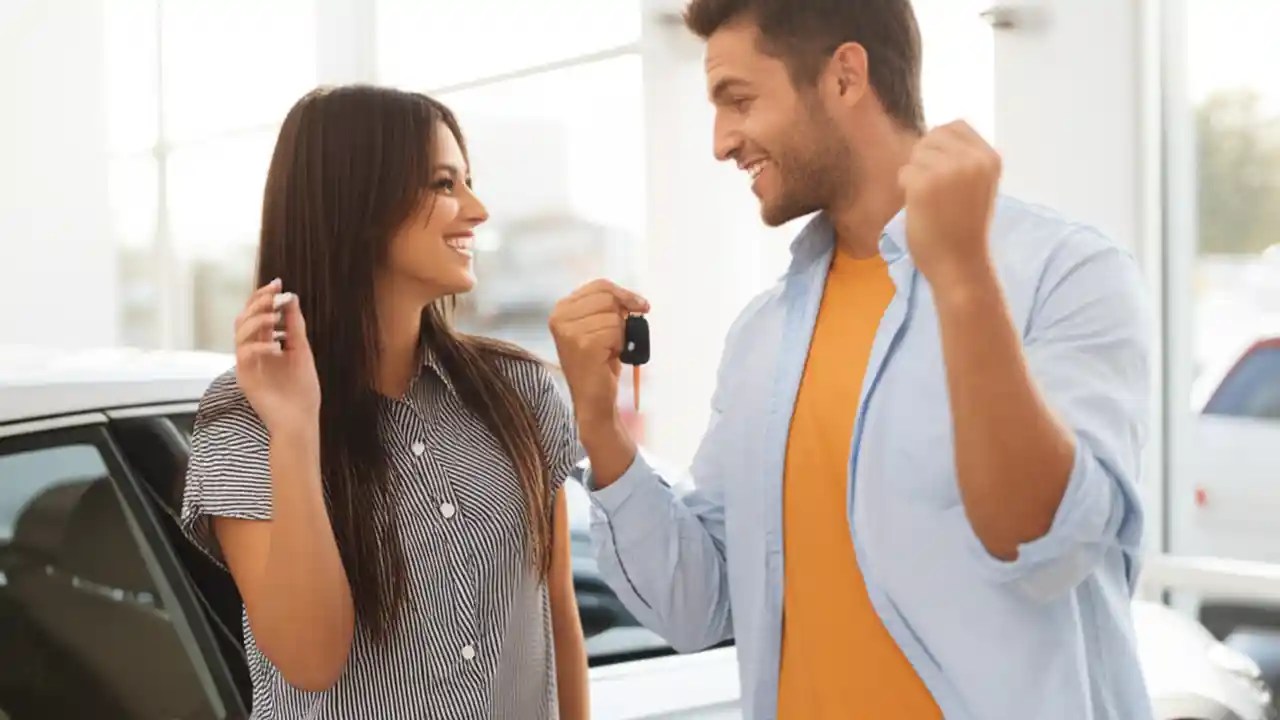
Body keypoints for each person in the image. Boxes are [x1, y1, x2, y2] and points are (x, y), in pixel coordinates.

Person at [548, 1, 1152, 719]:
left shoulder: (1064, 273)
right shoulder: (762, 336)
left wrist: (960, 276)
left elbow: (1043, 542)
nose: (720, 142)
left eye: (738, 100)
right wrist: (601, 429)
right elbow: (701, 605)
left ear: (844, 77)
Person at [180, 85, 589, 720]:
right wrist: (294, 428)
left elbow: (560, 622)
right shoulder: (242, 423)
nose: (476, 210)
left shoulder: (521, 391)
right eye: (443, 184)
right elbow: (309, 660)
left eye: (467, 181)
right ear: (358, 202)